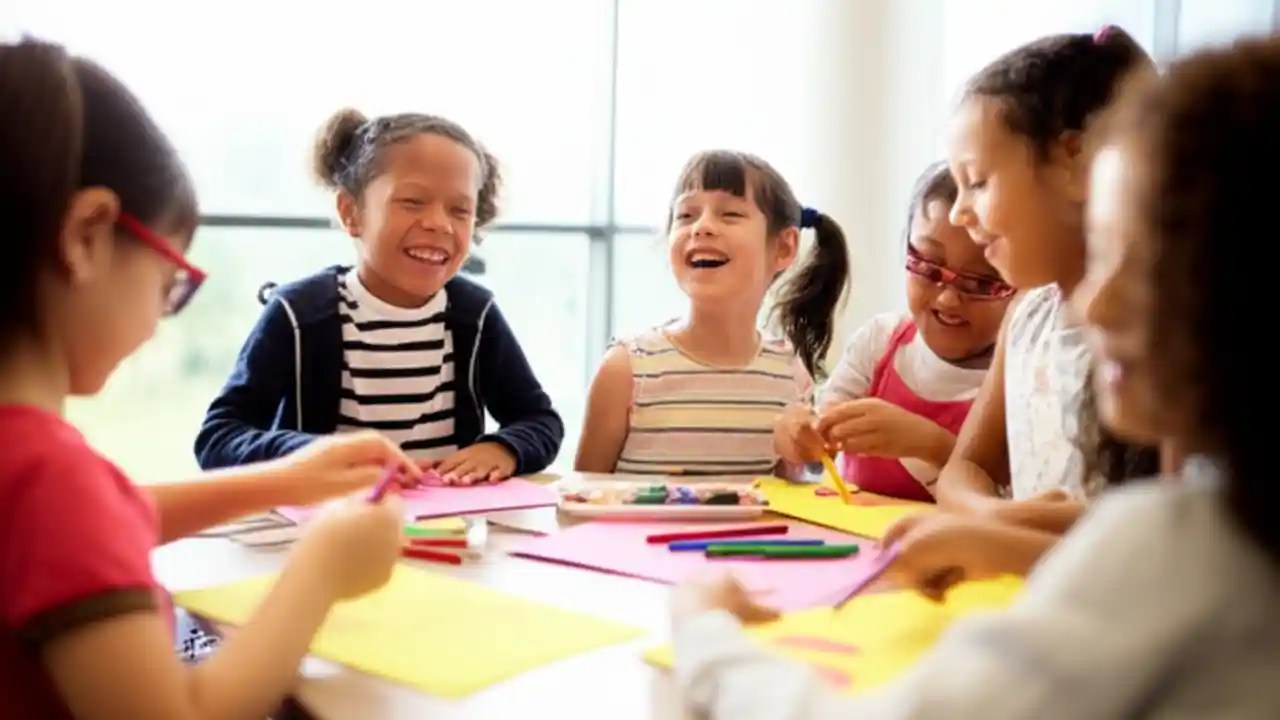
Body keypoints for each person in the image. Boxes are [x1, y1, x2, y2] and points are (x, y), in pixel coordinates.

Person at [668, 35, 1280, 718]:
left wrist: (705, 634)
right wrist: (1016, 537)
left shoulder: (1182, 547)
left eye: (1136, 262)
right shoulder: (1209, 528)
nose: (1099, 302)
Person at [0, 38, 414, 719]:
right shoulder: (50, 479)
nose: (162, 315)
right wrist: (320, 570)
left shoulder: (30, 472)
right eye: (170, 282)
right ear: (86, 237)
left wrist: (290, 478)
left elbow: (105, 517)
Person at [196, 108, 563, 484]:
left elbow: (539, 420)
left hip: (448, 531)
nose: (439, 223)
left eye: (460, 210)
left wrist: (503, 447)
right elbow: (219, 438)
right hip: (327, 530)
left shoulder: (476, 315)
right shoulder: (297, 314)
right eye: (413, 202)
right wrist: (310, 455)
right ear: (351, 212)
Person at [935, 26, 1159, 534]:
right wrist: (994, 515)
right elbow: (964, 468)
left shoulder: (1157, 325)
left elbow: (1184, 521)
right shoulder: (1025, 317)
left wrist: (1042, 528)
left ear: (1073, 159)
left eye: (977, 182)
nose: (958, 214)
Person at [575, 150, 849, 480]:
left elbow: (786, 506)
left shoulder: (790, 376)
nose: (702, 227)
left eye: (730, 214)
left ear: (783, 248)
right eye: (686, 216)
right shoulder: (626, 369)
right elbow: (583, 498)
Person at [776, 161, 1014, 501]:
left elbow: (1010, 507)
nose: (947, 298)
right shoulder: (880, 343)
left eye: (980, 282)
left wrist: (931, 445)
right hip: (855, 546)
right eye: (928, 265)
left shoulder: (1019, 377)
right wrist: (799, 437)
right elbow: (817, 443)